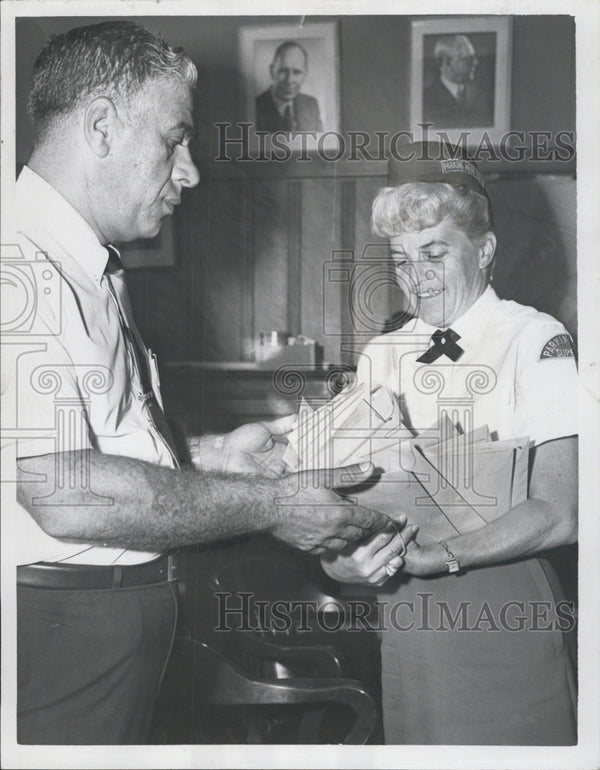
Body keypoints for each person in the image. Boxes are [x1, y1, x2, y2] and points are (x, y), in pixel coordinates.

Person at [5, 21, 394, 745]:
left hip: (106, 624)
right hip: (63, 634)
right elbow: (62, 491)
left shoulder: (85, 264)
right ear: (100, 126)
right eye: (173, 140)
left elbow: (98, 439)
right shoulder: (17, 266)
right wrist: (269, 504)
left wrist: (212, 456)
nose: (190, 170)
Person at [320, 141, 578, 745]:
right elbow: (346, 508)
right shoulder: (381, 354)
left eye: (434, 253)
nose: (417, 276)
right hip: (407, 614)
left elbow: (563, 513)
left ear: (484, 250)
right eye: (402, 259)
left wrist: (446, 556)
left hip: (504, 607)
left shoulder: (536, 339)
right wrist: (343, 561)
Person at [423, 34, 493, 128]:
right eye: (467, 58)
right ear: (446, 62)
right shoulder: (425, 100)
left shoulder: (482, 95)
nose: (476, 62)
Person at [255, 40, 323, 133]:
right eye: (283, 71)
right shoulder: (255, 107)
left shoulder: (311, 105)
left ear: (305, 74)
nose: (289, 80)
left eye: (297, 72)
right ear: (272, 71)